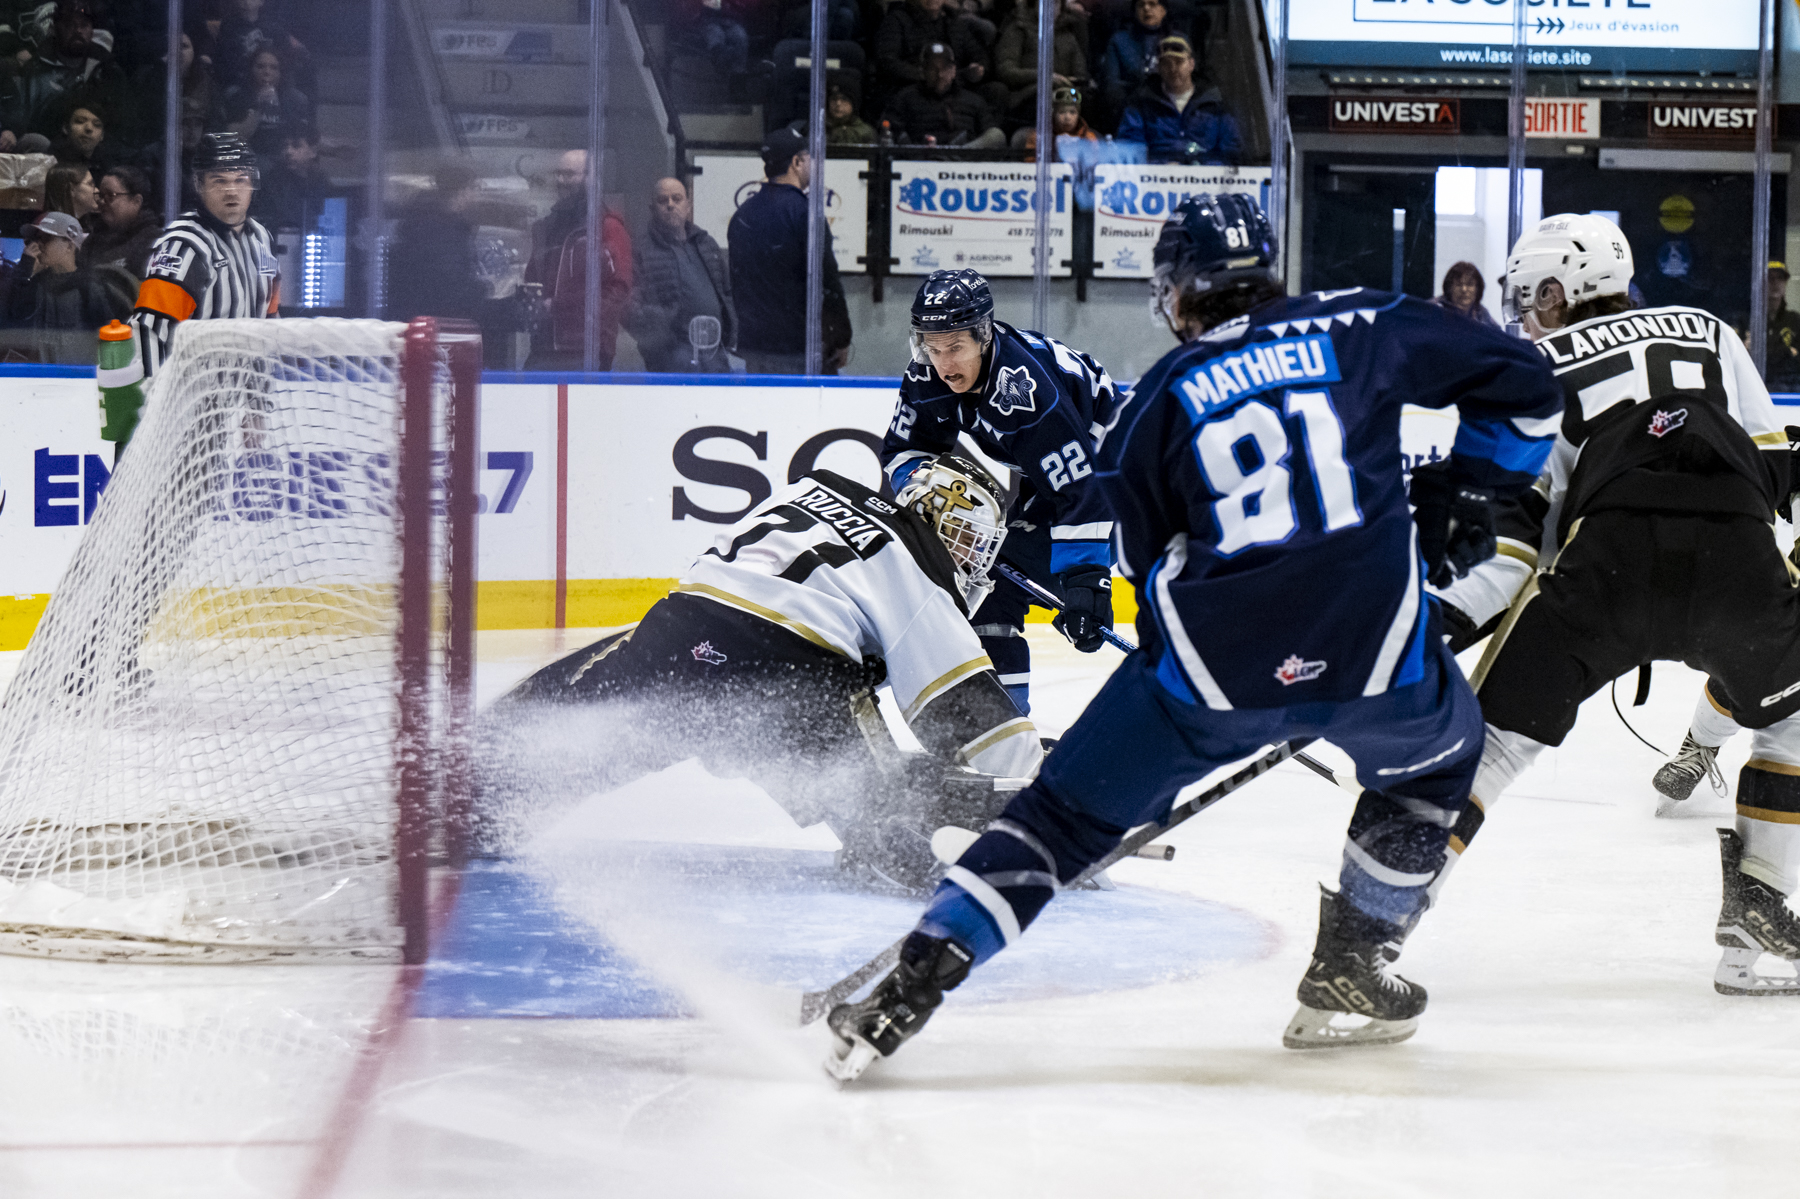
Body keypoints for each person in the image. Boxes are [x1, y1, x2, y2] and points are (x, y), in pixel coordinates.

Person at [825, 195, 1563, 1082]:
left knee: (1056, 820)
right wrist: (1480, 487)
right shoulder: (1361, 322)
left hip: (1211, 677)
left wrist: (1234, 670)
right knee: (1443, 762)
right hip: (1380, 654)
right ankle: (1353, 961)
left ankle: (916, 979)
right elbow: (1528, 383)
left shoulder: (1159, 403)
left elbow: (1144, 560)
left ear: (1178, 294)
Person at [1425, 213, 1800, 999]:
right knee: (1789, 720)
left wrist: (1439, 628)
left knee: (1488, 748)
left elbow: (1519, 534)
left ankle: (1369, 929)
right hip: (1733, 556)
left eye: (1536, 295)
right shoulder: (1705, 328)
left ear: (1565, 290)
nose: (1530, 312)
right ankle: (1756, 910)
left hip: (1609, 567)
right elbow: (1770, 464)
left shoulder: (1530, 363)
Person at [476, 455, 1043, 891]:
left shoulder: (817, 489)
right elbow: (969, 714)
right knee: (882, 811)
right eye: (970, 545)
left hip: (684, 623)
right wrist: (1048, 788)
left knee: (586, 737)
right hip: (787, 673)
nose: (968, 560)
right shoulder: (920, 573)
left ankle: (468, 801)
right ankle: (907, 860)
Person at [880, 268, 1121, 715]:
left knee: (992, 581)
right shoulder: (927, 375)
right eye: (932, 347)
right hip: (1056, 481)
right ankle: (997, 720)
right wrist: (921, 487)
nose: (944, 364)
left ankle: (1000, 722)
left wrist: (1087, 583)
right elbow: (902, 449)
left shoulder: (1022, 390)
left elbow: (1082, 486)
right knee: (988, 584)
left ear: (984, 335)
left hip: (1121, 477)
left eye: (955, 346)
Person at [129, 131, 279, 379]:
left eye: (241, 180)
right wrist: (156, 409)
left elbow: (269, 318)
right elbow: (151, 331)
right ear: (199, 185)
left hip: (239, 399)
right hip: (189, 398)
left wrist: (258, 402)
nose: (232, 191)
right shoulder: (184, 245)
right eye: (219, 181)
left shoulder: (262, 239)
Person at [726, 127, 851, 375]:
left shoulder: (742, 214)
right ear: (796, 162)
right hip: (798, 347)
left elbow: (737, 282)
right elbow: (828, 280)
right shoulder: (806, 214)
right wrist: (842, 335)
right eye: (810, 159)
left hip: (756, 345)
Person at [524, 149, 633, 371]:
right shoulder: (545, 228)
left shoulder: (607, 227)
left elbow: (618, 290)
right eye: (558, 174)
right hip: (544, 345)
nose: (561, 180)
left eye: (569, 174)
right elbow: (532, 281)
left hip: (584, 348)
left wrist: (562, 309)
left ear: (590, 178)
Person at [624, 176, 735, 374]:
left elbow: (727, 292)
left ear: (688, 206)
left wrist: (729, 333)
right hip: (670, 358)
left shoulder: (706, 243)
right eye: (662, 200)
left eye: (677, 199)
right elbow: (628, 307)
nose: (670, 205)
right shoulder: (640, 249)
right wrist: (659, 342)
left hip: (715, 352)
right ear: (652, 209)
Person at [9, 209, 133, 362]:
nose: (38, 245)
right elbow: (15, 315)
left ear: (69, 246)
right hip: (42, 376)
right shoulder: (37, 283)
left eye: (46, 238)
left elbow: (109, 337)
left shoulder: (90, 286)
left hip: (81, 376)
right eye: (34, 240)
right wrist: (24, 270)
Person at [386, 160, 487, 326]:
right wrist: (484, 287)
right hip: (433, 320)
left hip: (410, 312)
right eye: (475, 188)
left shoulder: (419, 219)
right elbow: (451, 285)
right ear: (462, 190)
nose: (476, 195)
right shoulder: (447, 230)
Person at [1116, 34, 1239, 165]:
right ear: (1158, 67)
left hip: (1208, 183)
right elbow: (1129, 150)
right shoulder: (1140, 106)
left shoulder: (1216, 106)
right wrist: (1161, 169)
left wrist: (1200, 171)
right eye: (1166, 64)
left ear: (1191, 64)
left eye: (1179, 62)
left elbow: (1232, 153)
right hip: (1156, 182)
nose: (1173, 69)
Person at [874, 0, 999, 112]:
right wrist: (928, 77)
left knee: (997, 91)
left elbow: (979, 55)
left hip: (957, 86)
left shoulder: (954, 21)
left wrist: (979, 69)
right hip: (916, 88)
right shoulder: (897, 20)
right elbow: (887, 60)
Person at [882, 44, 1005, 149]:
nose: (940, 74)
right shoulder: (905, 98)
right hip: (918, 164)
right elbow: (890, 131)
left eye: (945, 68)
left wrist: (963, 151)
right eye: (932, 69)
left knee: (996, 134)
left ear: (953, 71)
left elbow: (993, 135)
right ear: (922, 71)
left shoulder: (974, 100)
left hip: (962, 166)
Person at [993, 0, 1089, 126]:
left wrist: (1074, 81)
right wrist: (1045, 77)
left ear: (1061, 7)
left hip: (1067, 93)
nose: (1050, 8)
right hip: (1028, 94)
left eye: (1055, 4)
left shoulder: (1068, 36)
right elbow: (1005, 70)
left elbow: (1080, 72)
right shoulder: (1018, 29)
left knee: (1087, 96)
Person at [218, 47, 311, 160]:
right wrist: (258, 105)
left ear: (281, 72)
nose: (267, 72)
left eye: (274, 68)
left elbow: (301, 137)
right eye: (261, 67)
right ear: (251, 69)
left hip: (283, 157)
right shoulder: (236, 95)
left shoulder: (295, 99)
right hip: (246, 157)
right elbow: (233, 138)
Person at [81, 165, 161, 279]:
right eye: (101, 195)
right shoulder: (92, 241)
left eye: (110, 195)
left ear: (136, 201)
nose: (102, 201)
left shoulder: (155, 241)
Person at [1097, 0, 1168, 126]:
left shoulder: (1177, 42)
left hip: (1167, 113)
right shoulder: (1119, 41)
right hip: (1131, 113)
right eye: (1141, 5)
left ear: (1163, 10)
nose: (1146, 8)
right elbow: (1112, 87)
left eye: (1152, 4)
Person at [253, 125, 331, 232]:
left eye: (296, 146)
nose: (288, 151)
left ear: (313, 151)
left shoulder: (321, 183)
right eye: (285, 146)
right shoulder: (270, 181)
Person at [1013, 85, 1098, 155]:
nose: (1067, 117)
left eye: (1072, 112)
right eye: (1061, 112)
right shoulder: (1037, 138)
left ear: (1078, 115)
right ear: (1053, 114)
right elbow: (1031, 165)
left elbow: (1093, 165)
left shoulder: (1089, 139)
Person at [1762, 261, 1800, 395]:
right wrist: (1787, 351)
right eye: (1770, 278)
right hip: (1758, 388)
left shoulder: (1795, 320)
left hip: (1789, 389)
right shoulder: (1747, 320)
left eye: (1780, 278)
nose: (1775, 283)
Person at [1432, 260, 1497, 327]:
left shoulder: (1482, 314)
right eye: (1458, 284)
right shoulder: (1434, 308)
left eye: (1470, 284)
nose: (1464, 289)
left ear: (1478, 289)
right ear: (1449, 288)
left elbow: (1498, 335)